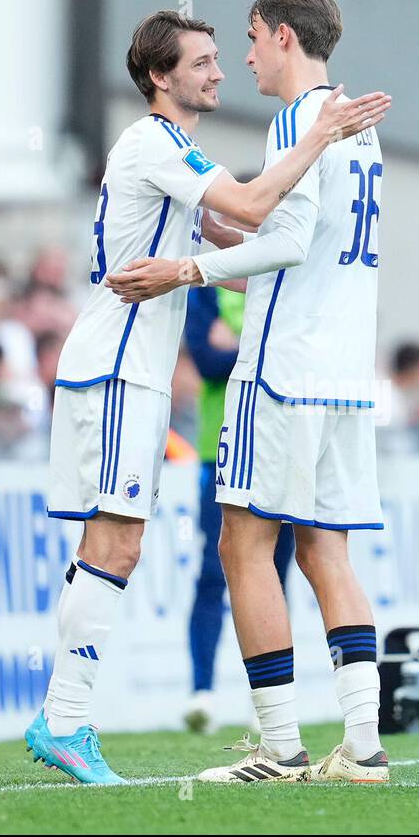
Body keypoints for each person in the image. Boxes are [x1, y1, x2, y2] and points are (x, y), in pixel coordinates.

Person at [26, 8, 390, 784]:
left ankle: (76, 717)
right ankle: (65, 719)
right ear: (160, 77)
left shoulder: (183, 146)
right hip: (119, 363)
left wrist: (203, 256)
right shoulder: (156, 142)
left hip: (157, 369)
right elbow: (254, 211)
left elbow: (249, 236)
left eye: (231, 52)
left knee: (130, 545)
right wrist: (318, 139)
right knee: (117, 544)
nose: (224, 69)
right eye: (202, 62)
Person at [182, 282, 294, 732]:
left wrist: (236, 345)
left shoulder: (285, 279)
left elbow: (293, 359)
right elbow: (206, 362)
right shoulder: (207, 289)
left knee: (276, 577)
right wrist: (262, 345)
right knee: (214, 572)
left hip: (279, 448)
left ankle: (267, 698)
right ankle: (202, 692)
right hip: (221, 451)